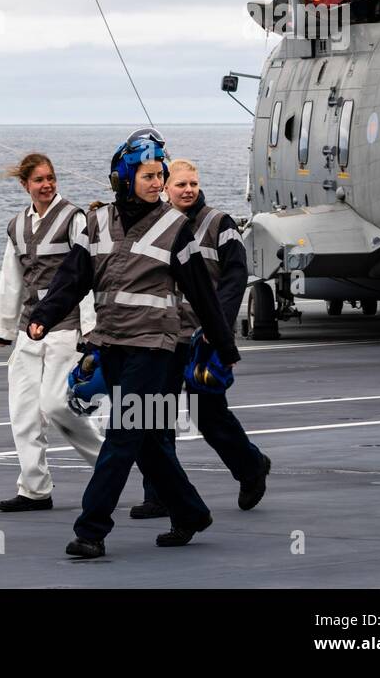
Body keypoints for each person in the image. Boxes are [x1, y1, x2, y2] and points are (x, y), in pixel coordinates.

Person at [28, 128, 242, 559]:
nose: (157, 182)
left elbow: (201, 293)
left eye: (160, 174)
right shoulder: (96, 223)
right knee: (147, 440)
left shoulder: (176, 227)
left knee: (124, 434)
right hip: (112, 344)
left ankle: (91, 530)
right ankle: (191, 513)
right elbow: (73, 277)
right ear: (124, 177)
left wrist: (224, 348)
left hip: (156, 351)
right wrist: (43, 317)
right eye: (148, 175)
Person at [130, 159, 270, 519]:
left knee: (208, 414)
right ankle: (160, 495)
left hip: (203, 338)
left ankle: (251, 467)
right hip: (162, 336)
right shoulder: (153, 226)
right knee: (155, 417)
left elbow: (235, 277)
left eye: (193, 183)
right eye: (180, 185)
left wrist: (216, 327)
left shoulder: (219, 224)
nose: (188, 190)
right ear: (165, 188)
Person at [0, 153, 103, 512]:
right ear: (25, 185)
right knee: (23, 412)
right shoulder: (16, 226)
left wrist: (90, 327)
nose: (47, 184)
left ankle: (108, 464)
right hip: (29, 328)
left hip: (66, 326)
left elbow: (86, 274)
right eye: (39, 179)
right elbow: (11, 280)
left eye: (51, 178)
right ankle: (34, 489)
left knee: (57, 405)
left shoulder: (74, 219)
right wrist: (4, 328)